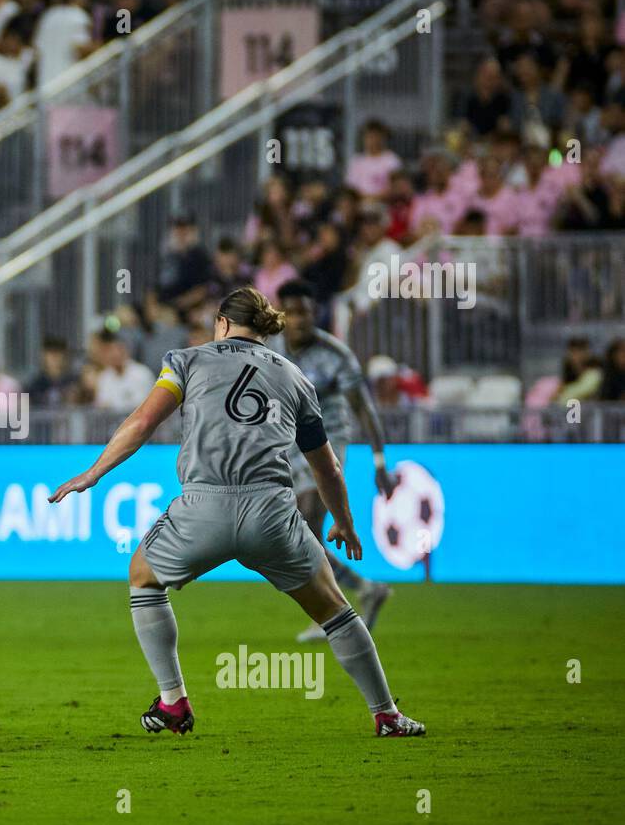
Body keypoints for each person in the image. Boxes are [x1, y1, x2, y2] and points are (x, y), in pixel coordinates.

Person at [48, 287, 425, 738]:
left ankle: (174, 702)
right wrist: (342, 520)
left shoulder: (186, 361)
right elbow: (327, 465)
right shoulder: (295, 377)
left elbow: (143, 422)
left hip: (203, 506)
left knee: (143, 576)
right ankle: (386, 715)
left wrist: (94, 473)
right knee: (337, 612)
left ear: (223, 323)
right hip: (272, 512)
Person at [274, 280, 398, 642]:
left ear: (315, 313)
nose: (299, 320)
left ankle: (331, 611)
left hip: (328, 440)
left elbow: (363, 408)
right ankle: (362, 590)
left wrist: (379, 462)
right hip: (287, 443)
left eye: (306, 312)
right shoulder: (270, 349)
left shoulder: (336, 354)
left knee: (308, 520)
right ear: (281, 314)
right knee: (297, 535)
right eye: (292, 312)